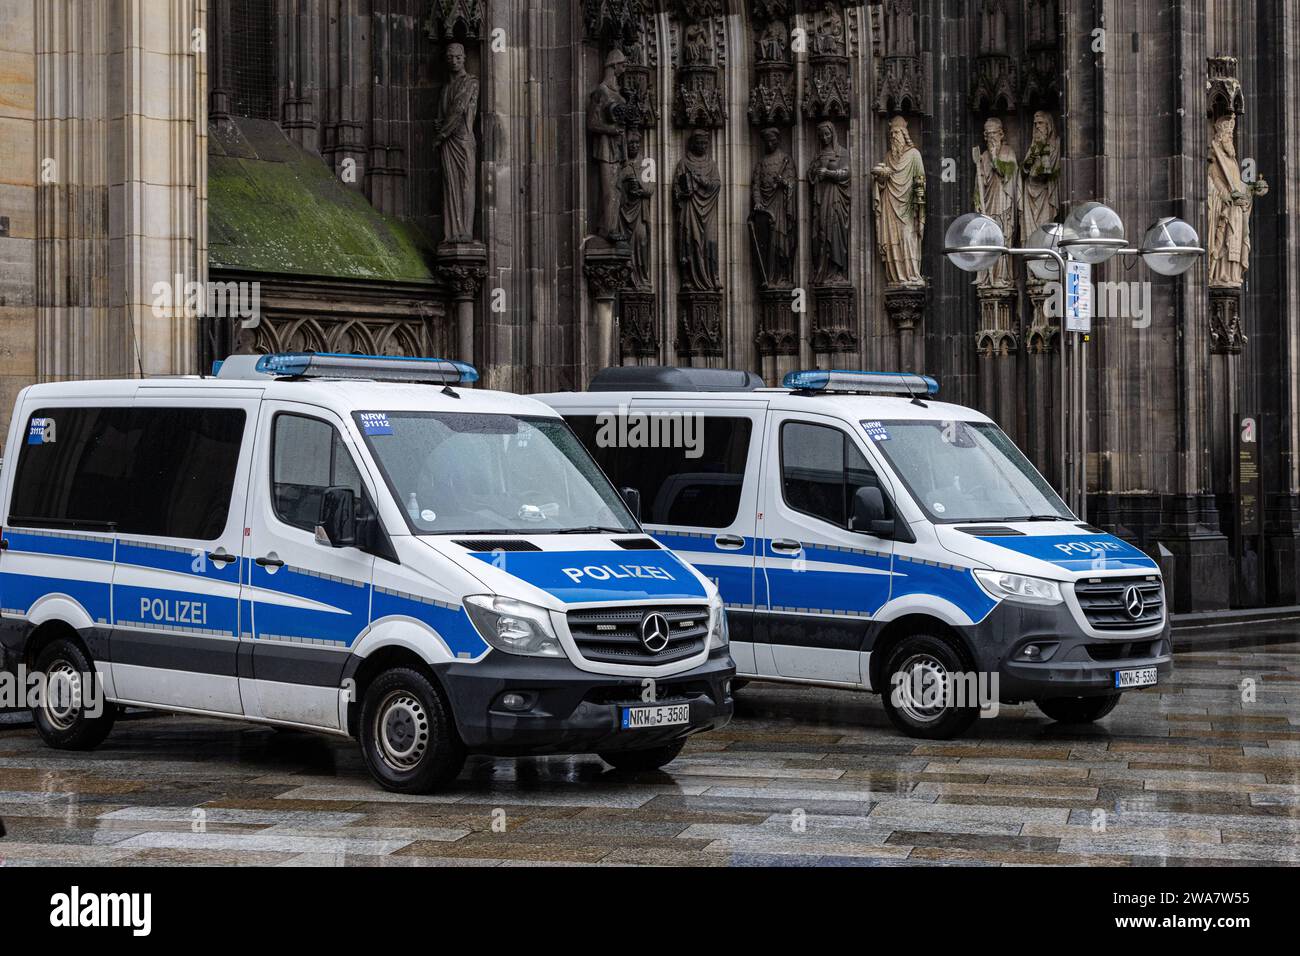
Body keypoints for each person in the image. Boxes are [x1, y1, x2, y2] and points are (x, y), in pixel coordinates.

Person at [434, 43, 479, 243]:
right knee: (449, 185)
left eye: (458, 57)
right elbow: (442, 114)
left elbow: (458, 109)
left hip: (461, 140)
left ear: (464, 58)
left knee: (465, 184)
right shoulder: (446, 88)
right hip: (448, 142)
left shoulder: (470, 82)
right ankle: (451, 232)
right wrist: (439, 127)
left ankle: (465, 231)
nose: (454, 61)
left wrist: (441, 135)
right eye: (450, 57)